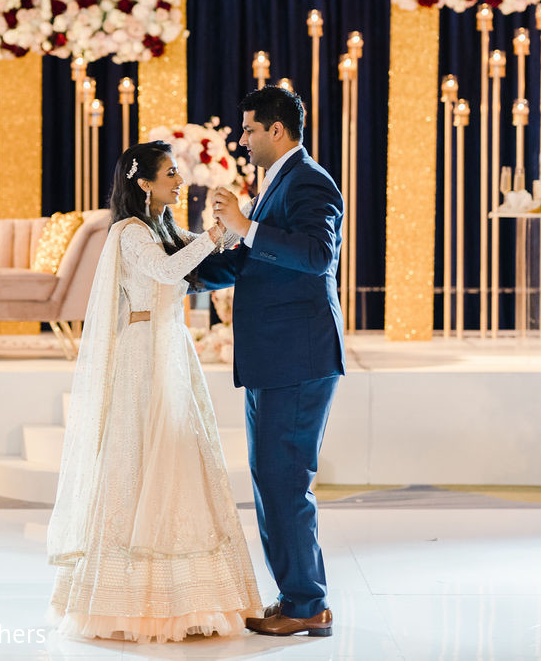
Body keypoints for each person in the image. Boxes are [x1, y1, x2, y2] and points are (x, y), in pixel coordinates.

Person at [45, 140, 261, 643]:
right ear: (143, 183)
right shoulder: (129, 232)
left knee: (181, 452)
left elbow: (203, 253)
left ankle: (191, 597)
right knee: (140, 455)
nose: (179, 181)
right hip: (143, 352)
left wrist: (238, 221)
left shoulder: (163, 227)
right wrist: (216, 233)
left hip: (171, 346)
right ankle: (129, 600)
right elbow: (168, 270)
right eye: (169, 174)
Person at [200, 86, 345, 638]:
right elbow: (250, 263)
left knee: (285, 481)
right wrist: (178, 272)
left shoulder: (310, 180)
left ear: (277, 130)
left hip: (298, 358)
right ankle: (295, 596)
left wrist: (246, 225)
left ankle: (308, 603)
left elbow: (317, 254)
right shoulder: (276, 183)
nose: (242, 139)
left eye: (249, 129)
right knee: (270, 479)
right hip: (273, 359)